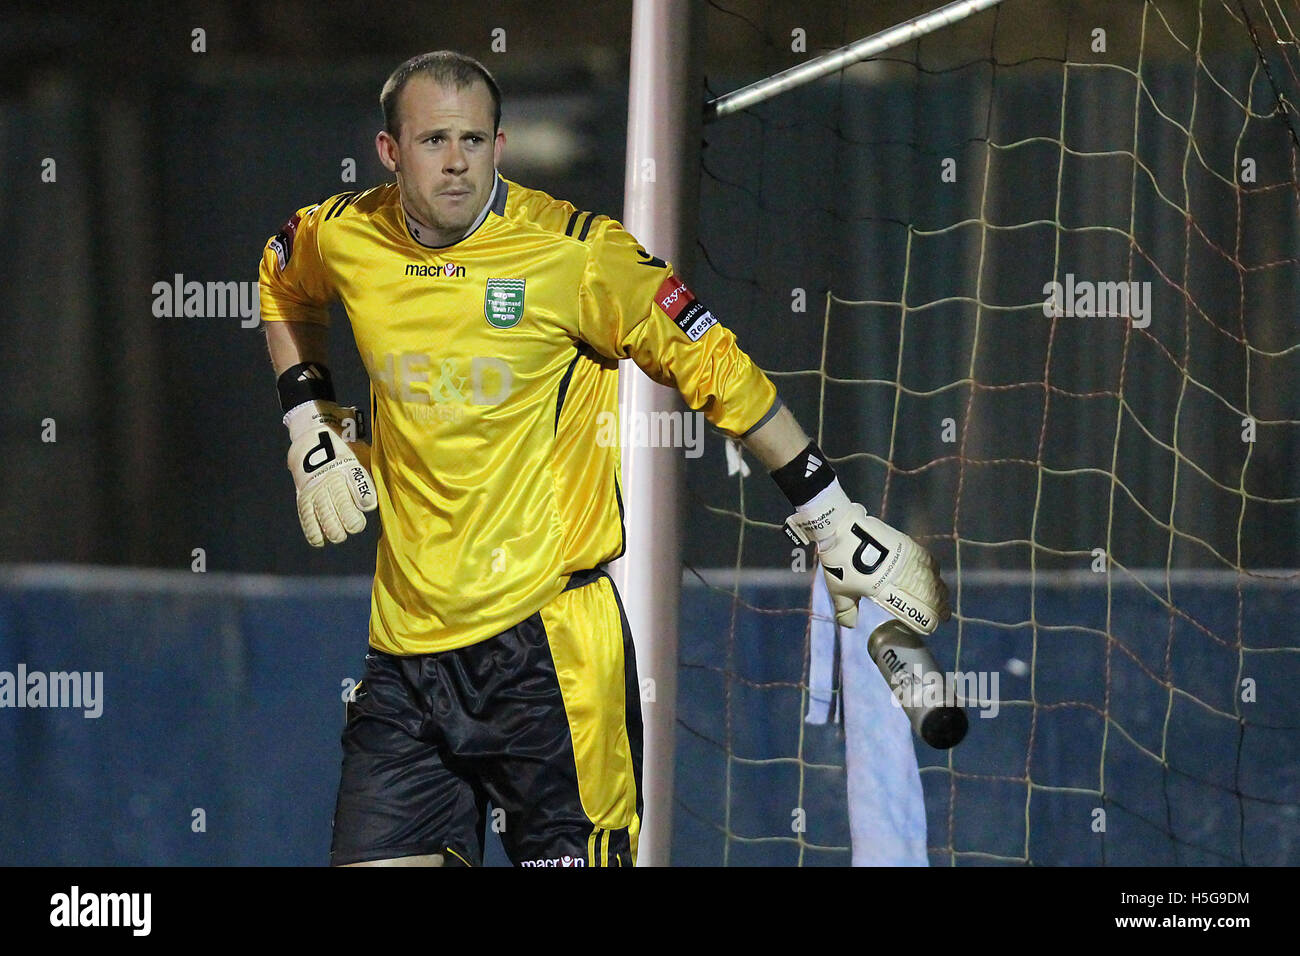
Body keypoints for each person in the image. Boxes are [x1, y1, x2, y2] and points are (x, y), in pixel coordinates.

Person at [259, 50, 950, 868]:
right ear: (389, 151)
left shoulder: (577, 255)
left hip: (551, 662)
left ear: (500, 144)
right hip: (406, 662)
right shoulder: (347, 235)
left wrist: (826, 511)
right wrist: (310, 424)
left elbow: (716, 366)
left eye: (474, 140)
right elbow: (280, 279)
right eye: (434, 140)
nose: (455, 161)